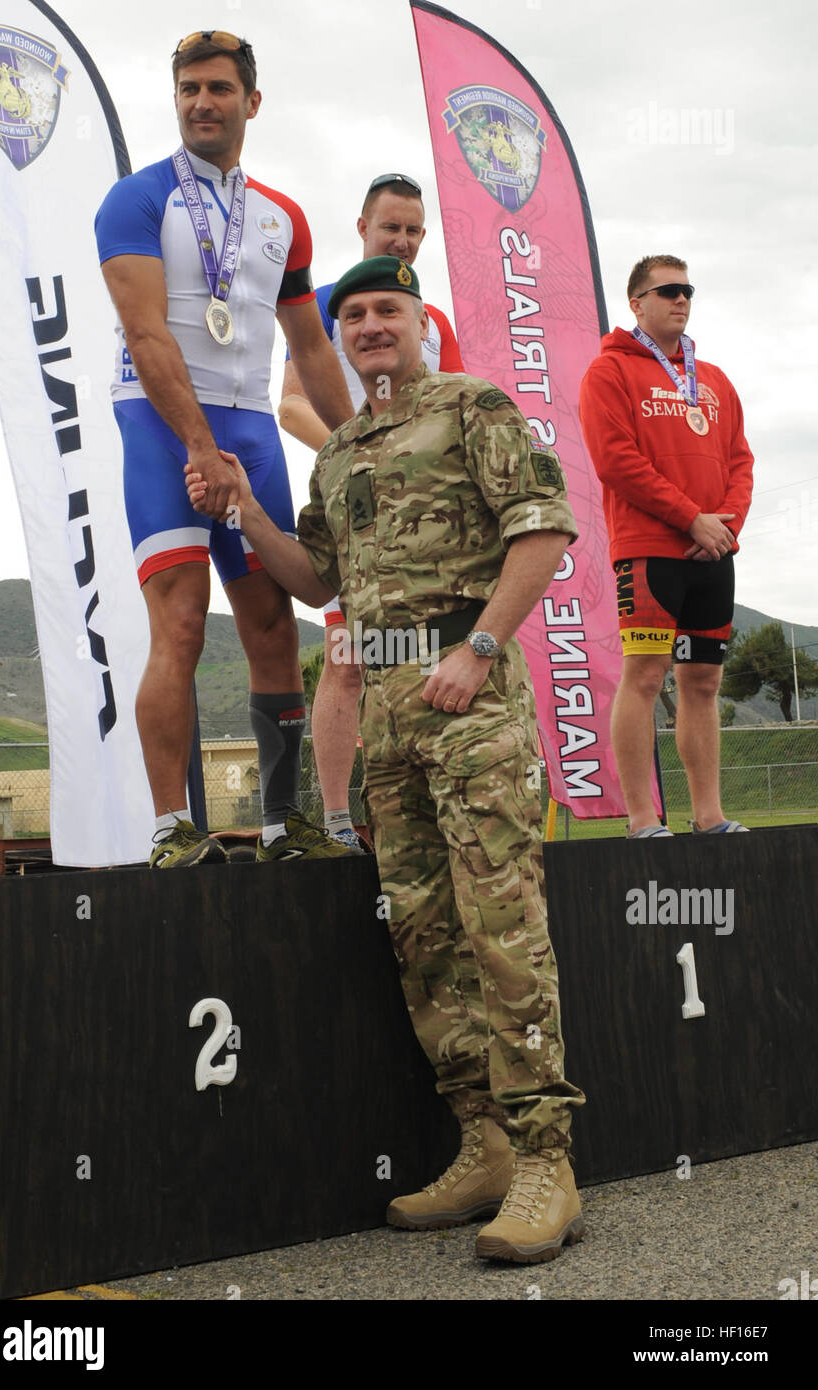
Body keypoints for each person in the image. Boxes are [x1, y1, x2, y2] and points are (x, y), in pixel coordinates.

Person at [186, 256, 587, 1265]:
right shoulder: (343, 450)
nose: (369, 326)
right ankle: (483, 1145)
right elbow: (312, 572)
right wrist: (245, 510)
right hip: (389, 717)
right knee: (423, 932)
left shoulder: (473, 407)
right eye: (352, 314)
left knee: (503, 928)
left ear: (419, 322)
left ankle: (547, 1159)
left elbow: (543, 531)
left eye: (386, 311)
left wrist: (481, 647)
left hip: (471, 699)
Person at [94, 30, 355, 867]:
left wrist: (360, 446)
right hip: (161, 422)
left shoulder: (283, 217)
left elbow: (310, 348)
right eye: (187, 90)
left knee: (275, 626)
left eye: (216, 88)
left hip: (249, 427)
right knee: (178, 625)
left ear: (250, 101)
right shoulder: (134, 200)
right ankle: (174, 828)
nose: (201, 102)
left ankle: (284, 825)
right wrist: (199, 450)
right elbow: (144, 330)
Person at [278, 174, 463, 851]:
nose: (404, 240)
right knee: (349, 656)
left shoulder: (430, 320)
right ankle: (333, 819)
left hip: (427, 518)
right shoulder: (327, 304)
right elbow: (291, 406)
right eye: (391, 227)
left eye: (414, 230)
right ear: (361, 227)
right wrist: (363, 457)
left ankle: (415, 815)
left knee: (425, 653)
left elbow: (456, 411)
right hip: (354, 503)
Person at [579, 255, 754, 837]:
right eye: (668, 290)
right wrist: (690, 519)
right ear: (637, 303)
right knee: (647, 676)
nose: (681, 300)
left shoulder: (717, 380)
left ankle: (710, 817)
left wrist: (726, 529)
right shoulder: (609, 372)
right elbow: (616, 461)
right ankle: (642, 819)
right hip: (650, 548)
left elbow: (740, 461)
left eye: (688, 290)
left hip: (713, 554)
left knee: (702, 683)